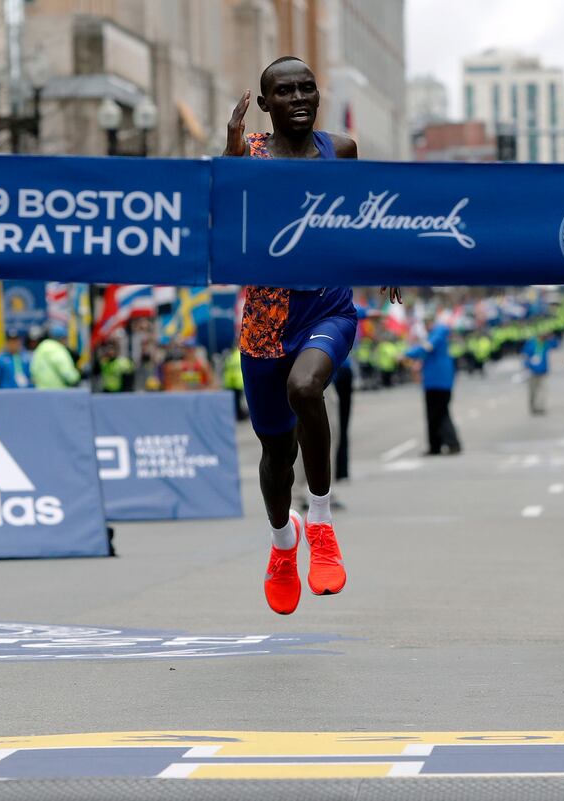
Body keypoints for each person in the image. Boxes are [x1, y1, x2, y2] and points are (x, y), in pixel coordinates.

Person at [223, 55, 401, 615]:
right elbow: (227, 203)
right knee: (276, 451)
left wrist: (394, 256)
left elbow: (364, 214)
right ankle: (283, 543)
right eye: (285, 91)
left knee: (307, 390)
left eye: (307, 88)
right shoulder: (249, 153)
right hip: (265, 325)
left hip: (328, 307)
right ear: (266, 101)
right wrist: (229, 146)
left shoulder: (340, 150)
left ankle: (320, 522)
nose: (299, 98)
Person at [406, 317, 462, 455]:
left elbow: (427, 347)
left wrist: (406, 354)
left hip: (440, 382)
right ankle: (435, 446)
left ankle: (452, 443)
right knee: (433, 415)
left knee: (440, 414)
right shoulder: (433, 334)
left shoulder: (439, 331)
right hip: (431, 382)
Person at [31, 324, 81, 389]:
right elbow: (68, 374)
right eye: (65, 338)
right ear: (62, 338)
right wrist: (77, 377)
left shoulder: (41, 348)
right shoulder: (58, 349)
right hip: (57, 393)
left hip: (40, 392)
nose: (66, 341)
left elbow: (33, 371)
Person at [523, 327, 557, 415]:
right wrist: (526, 366)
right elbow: (525, 355)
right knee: (532, 391)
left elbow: (556, 344)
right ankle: (533, 407)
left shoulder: (546, 343)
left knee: (542, 389)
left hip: (543, 370)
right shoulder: (531, 343)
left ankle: (541, 407)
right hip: (532, 370)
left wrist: (551, 336)